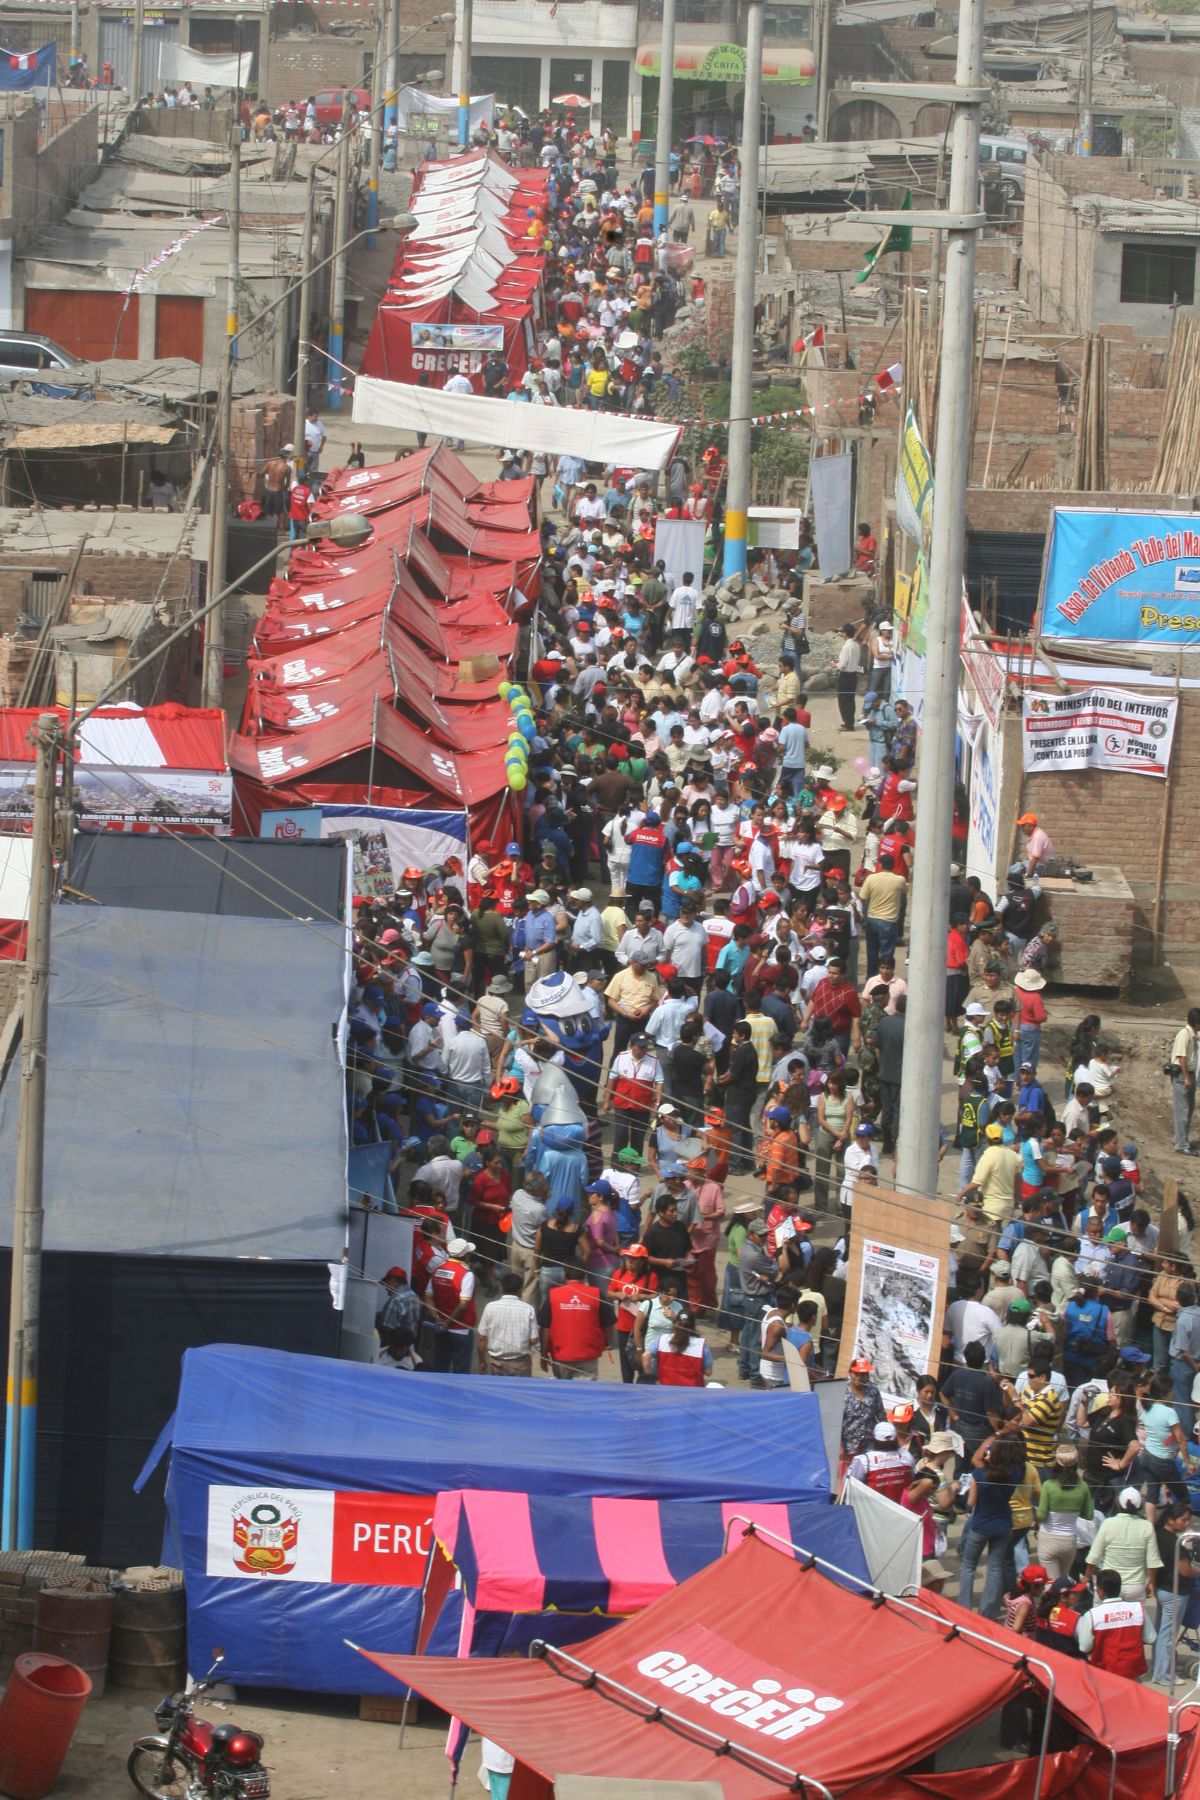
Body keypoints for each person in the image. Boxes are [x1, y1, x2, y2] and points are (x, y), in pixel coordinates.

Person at [958, 1433, 1023, 1618]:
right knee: (995, 1567)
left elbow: (970, 1503)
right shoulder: (1016, 1474)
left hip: (980, 1525)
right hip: (1004, 1524)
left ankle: (964, 1609)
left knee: (969, 1566)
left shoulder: (979, 1474)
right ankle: (988, 1612)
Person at [1076, 1567, 1156, 1679]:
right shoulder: (1138, 1609)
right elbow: (1151, 1638)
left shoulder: (1092, 1615)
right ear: (1119, 1588)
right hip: (1133, 1671)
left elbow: (1084, 1647)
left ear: (1100, 1590)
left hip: (1104, 1673)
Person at [1086, 1486, 1162, 1602]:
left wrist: (1087, 1576)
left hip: (1108, 1585)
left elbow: (1094, 1556)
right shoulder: (1146, 1526)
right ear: (1140, 1506)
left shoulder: (1108, 1524)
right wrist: (1151, 1583)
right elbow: (1153, 1561)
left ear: (1118, 1503)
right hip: (1135, 1588)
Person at [1153, 1500, 1199, 1685]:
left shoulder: (1159, 1534)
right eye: (1183, 1520)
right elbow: (1185, 1570)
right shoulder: (1175, 1542)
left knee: (1161, 1632)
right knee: (1168, 1635)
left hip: (1162, 1589)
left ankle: (1159, 1667)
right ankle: (1163, 1674)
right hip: (1175, 1592)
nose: (1187, 1523)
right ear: (1171, 1520)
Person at [538, 1269, 615, 1379]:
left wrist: (543, 1354)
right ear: (584, 1276)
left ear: (565, 1276)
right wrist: (606, 1342)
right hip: (588, 1355)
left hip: (561, 1356)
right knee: (586, 1394)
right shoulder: (596, 1294)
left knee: (563, 1393)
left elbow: (545, 1327)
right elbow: (609, 1323)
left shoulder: (553, 1294)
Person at [1036, 1443, 1093, 1578]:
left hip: (1048, 1539)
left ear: (1057, 1462)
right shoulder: (1083, 1487)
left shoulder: (1048, 1486)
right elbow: (1089, 1515)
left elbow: (1041, 1515)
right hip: (1069, 1541)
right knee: (1063, 1581)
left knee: (1051, 1586)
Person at [425, 1236, 478, 1373]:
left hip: (441, 1328)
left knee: (440, 1367)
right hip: (461, 1329)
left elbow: (428, 1296)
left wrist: (437, 1318)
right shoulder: (466, 1274)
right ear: (465, 1255)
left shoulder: (438, 1269)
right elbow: (463, 1305)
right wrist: (448, 1322)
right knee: (461, 1371)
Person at [476, 1270, 540, 1375]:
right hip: (521, 1364)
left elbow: (482, 1338)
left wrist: (482, 1361)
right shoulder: (528, 1309)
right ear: (520, 1289)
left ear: (501, 1288)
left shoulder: (490, 1307)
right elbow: (533, 1340)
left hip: (497, 1364)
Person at [642, 1304, 712, 1385]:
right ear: (693, 1324)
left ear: (676, 1322)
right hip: (693, 1392)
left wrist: (649, 1375)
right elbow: (708, 1372)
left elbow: (645, 1356)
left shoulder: (662, 1339)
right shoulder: (701, 1344)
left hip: (666, 1390)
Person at [846, 1418, 914, 1500]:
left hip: (871, 1510)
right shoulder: (906, 1456)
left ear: (874, 1438)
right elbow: (912, 1480)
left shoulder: (865, 1460)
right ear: (895, 1438)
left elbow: (849, 1486)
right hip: (900, 1510)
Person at [375, 1266, 422, 1369]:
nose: (386, 1288)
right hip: (409, 1346)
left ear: (393, 1281)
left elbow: (387, 1328)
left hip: (395, 1349)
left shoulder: (395, 1300)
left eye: (386, 1284)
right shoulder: (415, 1296)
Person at [1171, 1007, 1200, 1155]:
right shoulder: (1184, 1035)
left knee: (1187, 1108)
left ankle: (1181, 1139)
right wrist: (1187, 1077)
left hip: (1188, 1074)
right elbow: (1182, 1057)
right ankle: (1181, 1144)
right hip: (1183, 1076)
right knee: (1183, 1109)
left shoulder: (1192, 1034)